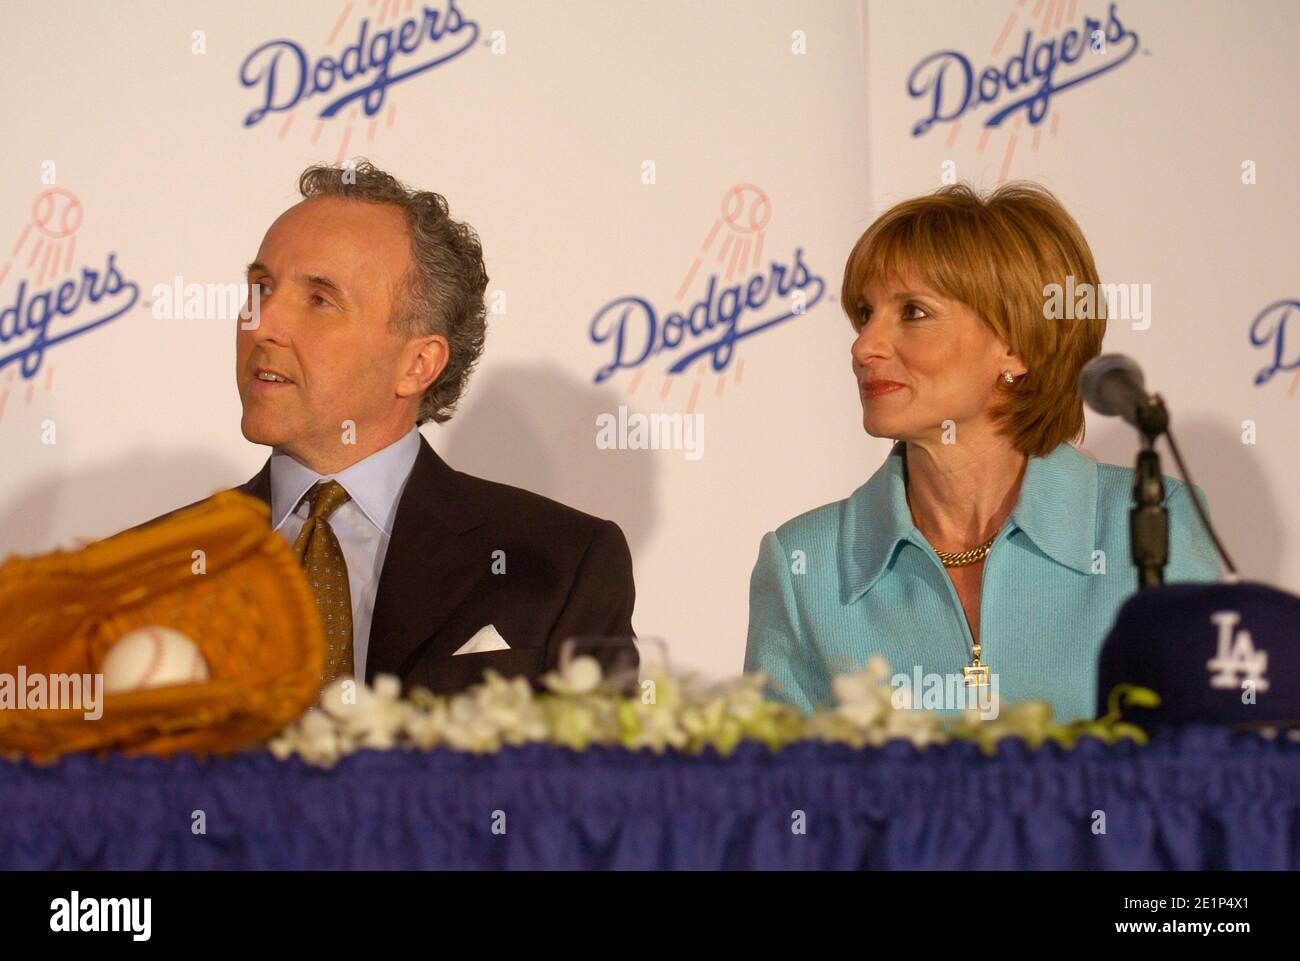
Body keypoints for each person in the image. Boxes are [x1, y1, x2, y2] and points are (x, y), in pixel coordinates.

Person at [138, 161, 637, 694]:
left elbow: (598, 776)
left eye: (320, 300)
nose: (261, 324)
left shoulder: (563, 562)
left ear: (417, 364)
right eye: (261, 288)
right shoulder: (143, 573)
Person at [744, 182, 1219, 721]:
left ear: (1015, 345)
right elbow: (773, 794)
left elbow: (1223, 775)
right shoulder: (806, 564)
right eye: (864, 312)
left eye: (914, 313)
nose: (863, 346)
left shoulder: (1152, 525)